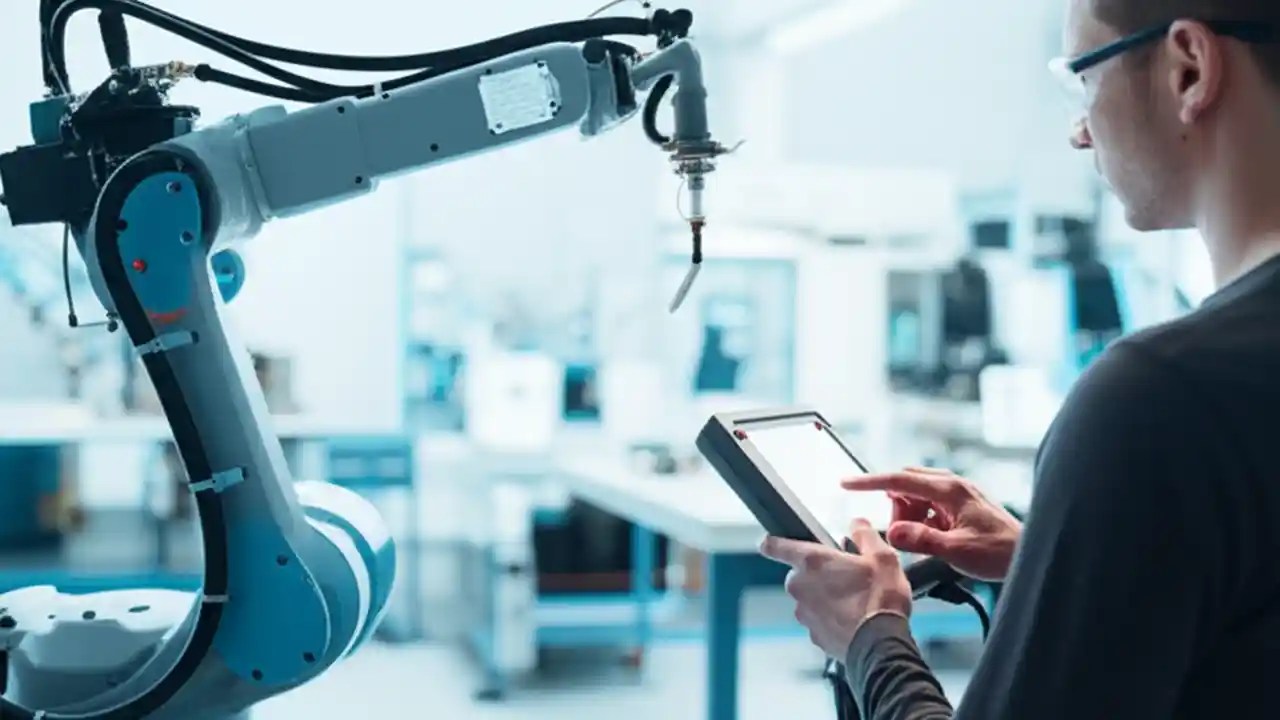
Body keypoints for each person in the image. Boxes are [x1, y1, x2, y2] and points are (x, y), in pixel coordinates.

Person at [759, 1, 1280, 718]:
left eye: (1083, 81)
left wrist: (867, 636)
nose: (1078, 130)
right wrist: (1064, 560)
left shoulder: (1160, 401)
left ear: (1188, 67)